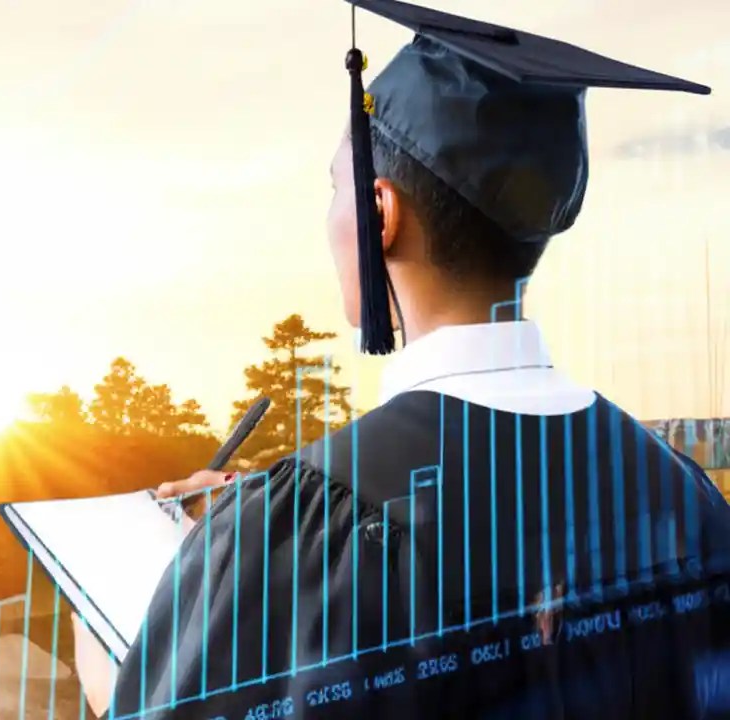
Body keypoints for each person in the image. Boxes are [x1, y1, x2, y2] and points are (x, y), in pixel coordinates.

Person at [73, 1, 730, 718]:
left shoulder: (298, 532)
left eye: (336, 189)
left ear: (380, 213)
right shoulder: (680, 493)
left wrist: (118, 638)